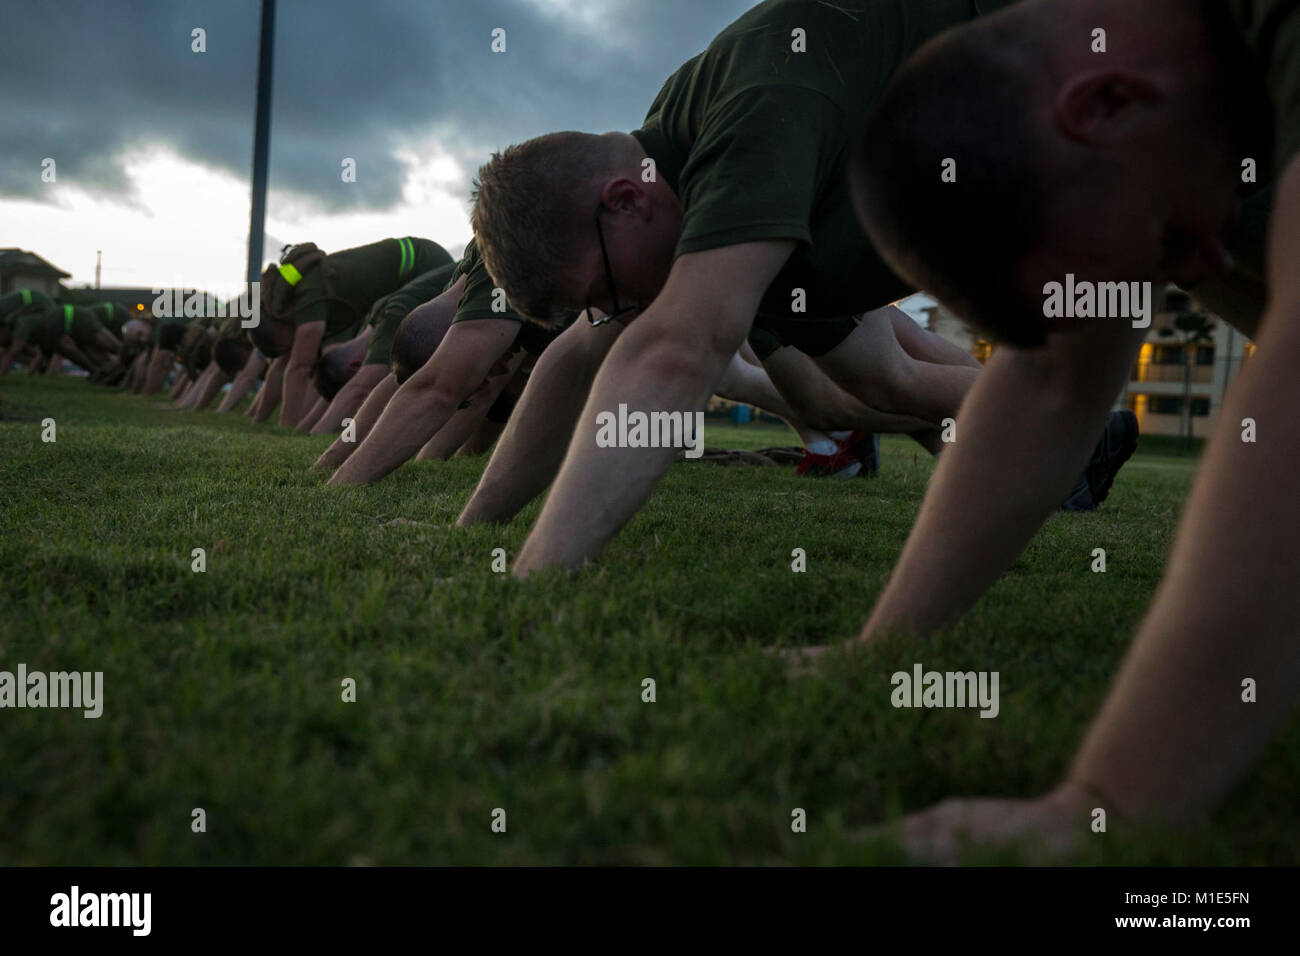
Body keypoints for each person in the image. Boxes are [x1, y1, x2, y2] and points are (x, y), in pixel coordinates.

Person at [844, 0, 1300, 855]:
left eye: (1167, 242)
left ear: (1104, 104)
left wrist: (1108, 807)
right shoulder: (1157, 103)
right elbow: (1058, 372)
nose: (1211, 268)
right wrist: (887, 647)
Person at [465, 0, 1133, 574]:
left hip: (1103, 77)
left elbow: (678, 350)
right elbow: (577, 359)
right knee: (873, 384)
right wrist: (477, 529)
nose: (619, 315)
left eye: (605, 292)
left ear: (623, 202)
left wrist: (537, 576)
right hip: (862, 204)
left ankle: (1073, 429)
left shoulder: (746, 119)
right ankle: (1068, 439)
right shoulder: (665, 168)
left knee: (871, 383)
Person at [251, 237, 453, 427]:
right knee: (341, 369)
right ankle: (321, 426)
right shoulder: (291, 304)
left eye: (289, 344)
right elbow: (291, 367)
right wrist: (258, 420)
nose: (294, 347)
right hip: (410, 271)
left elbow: (298, 367)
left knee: (376, 372)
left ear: (280, 326)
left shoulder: (308, 301)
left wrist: (288, 428)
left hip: (425, 264)